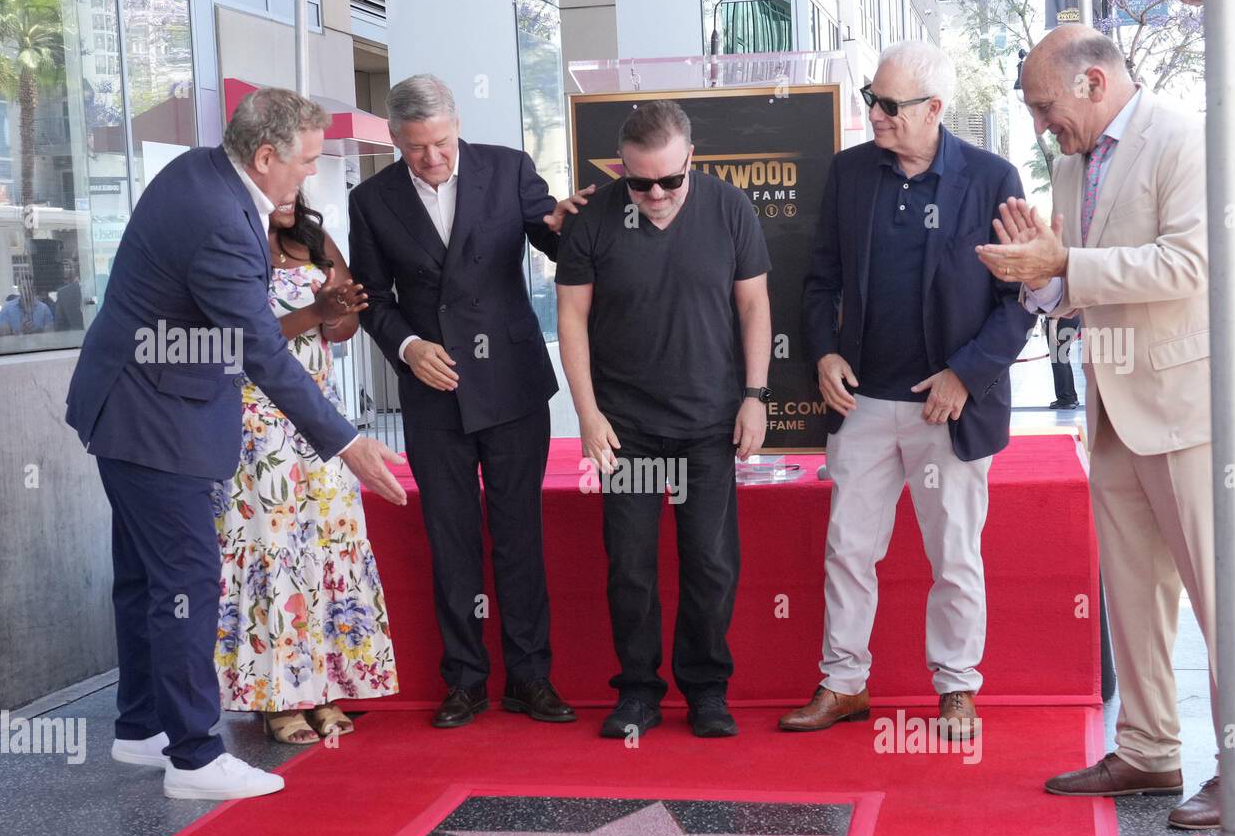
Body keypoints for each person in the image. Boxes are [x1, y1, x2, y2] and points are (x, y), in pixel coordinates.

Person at [65, 87, 406, 801]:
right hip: (157, 419)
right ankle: (193, 757)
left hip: (129, 406)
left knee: (144, 579)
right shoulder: (222, 217)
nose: (308, 176)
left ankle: (141, 728)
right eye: (305, 162)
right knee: (186, 584)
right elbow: (260, 347)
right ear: (264, 156)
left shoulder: (200, 172)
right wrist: (346, 442)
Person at [977, 25, 1219, 829]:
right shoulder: (1073, 163)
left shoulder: (1184, 139)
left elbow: (1190, 262)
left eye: (1046, 108)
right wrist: (1036, 279)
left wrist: (1063, 265)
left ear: (1091, 83)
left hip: (1188, 410)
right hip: (1112, 406)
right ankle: (1151, 751)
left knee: (1222, 600)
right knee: (1135, 595)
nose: (1043, 127)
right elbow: (1075, 284)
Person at [779, 41, 1035, 740]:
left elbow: (1023, 296)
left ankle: (957, 688)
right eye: (872, 98)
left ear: (935, 110)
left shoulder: (990, 178)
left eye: (890, 106)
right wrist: (824, 352)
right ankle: (844, 684)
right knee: (848, 550)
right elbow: (820, 279)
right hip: (862, 401)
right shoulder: (851, 173)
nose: (875, 115)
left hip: (946, 407)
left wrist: (967, 373)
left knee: (954, 553)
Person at [349, 74, 590, 730]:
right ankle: (464, 680)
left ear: (457, 123)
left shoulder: (508, 169)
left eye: (442, 142)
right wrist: (407, 348)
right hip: (433, 392)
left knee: (519, 536)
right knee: (449, 537)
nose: (433, 158)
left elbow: (553, 242)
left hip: (510, 383)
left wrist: (566, 227)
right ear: (395, 142)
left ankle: (531, 679)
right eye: (418, 148)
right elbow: (371, 294)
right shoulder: (371, 200)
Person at [556, 99, 772, 739]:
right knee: (630, 565)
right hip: (627, 432)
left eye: (670, 180)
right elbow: (570, 319)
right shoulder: (592, 219)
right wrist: (588, 416)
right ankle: (639, 691)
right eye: (639, 180)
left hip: (709, 424)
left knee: (710, 562)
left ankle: (706, 689)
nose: (655, 193)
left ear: (692, 161)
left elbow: (755, 305)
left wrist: (755, 394)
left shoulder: (729, 208)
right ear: (620, 168)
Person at [214, 191, 399, 743]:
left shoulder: (314, 241)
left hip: (320, 418)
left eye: (297, 184)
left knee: (327, 544)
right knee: (273, 551)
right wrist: (315, 311)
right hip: (256, 420)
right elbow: (241, 344)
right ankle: (276, 697)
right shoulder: (230, 244)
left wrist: (339, 312)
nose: (290, 195)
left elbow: (338, 332)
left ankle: (324, 688)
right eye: (279, 185)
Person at [0, 270, 54, 335]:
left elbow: (49, 336)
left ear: (34, 289)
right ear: (19, 289)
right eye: (24, 288)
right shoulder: (7, 309)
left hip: (38, 345)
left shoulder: (44, 309)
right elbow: (4, 336)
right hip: (16, 345)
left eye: (29, 288)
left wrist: (35, 333)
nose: (26, 291)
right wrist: (21, 332)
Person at [1047, 314, 1080, 409]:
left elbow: (1057, 301)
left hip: (1060, 318)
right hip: (1070, 316)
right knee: (1061, 356)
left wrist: (1052, 325)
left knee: (1058, 357)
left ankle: (1066, 398)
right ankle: (1070, 396)